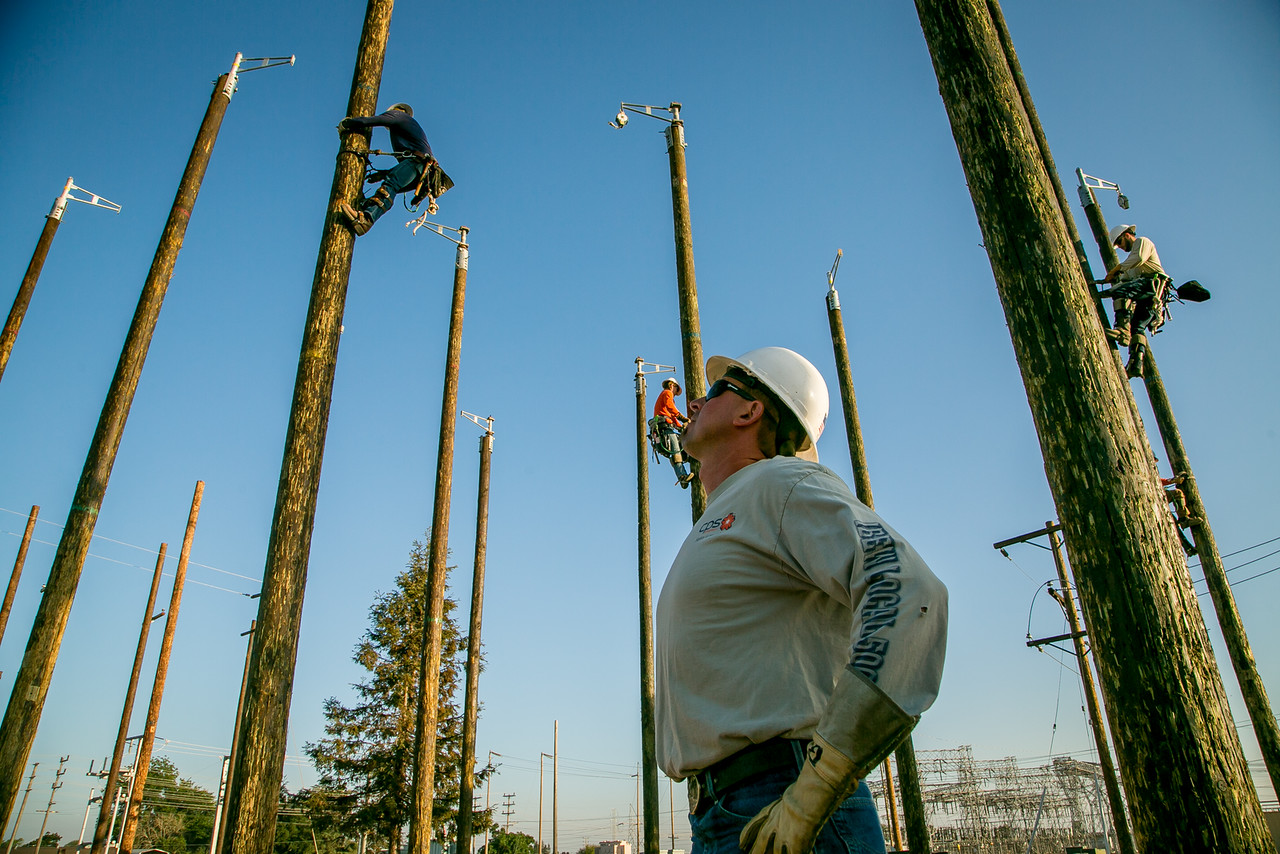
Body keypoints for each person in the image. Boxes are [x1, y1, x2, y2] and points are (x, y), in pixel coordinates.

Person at [655, 346, 948, 854]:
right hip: (726, 814)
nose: (694, 403)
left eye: (717, 389)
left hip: (788, 799)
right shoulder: (731, 510)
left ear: (751, 411)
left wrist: (820, 784)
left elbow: (907, 590)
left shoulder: (782, 483)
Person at [335, 103, 435, 236]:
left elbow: (372, 120)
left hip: (419, 163)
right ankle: (364, 207)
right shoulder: (409, 127)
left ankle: (366, 219)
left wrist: (348, 123)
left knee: (390, 185)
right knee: (389, 188)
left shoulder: (400, 116)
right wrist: (382, 174)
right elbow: (406, 167)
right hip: (422, 170)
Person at [1099, 223, 1170, 378]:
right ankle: (1135, 364)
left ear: (1126, 235)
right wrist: (1103, 288)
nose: (1120, 246)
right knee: (1137, 326)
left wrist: (1117, 269)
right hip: (1149, 295)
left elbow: (1139, 258)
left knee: (1120, 291)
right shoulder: (1131, 265)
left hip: (1152, 285)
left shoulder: (1142, 242)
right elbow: (1124, 280)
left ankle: (1122, 330)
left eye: (1119, 242)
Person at [653, 378, 696, 488]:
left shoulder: (665, 397)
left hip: (664, 428)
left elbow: (672, 417)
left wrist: (681, 427)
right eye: (676, 390)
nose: (675, 394)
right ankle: (682, 476)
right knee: (676, 450)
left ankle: (688, 465)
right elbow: (671, 408)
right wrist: (683, 418)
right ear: (672, 385)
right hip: (664, 428)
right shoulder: (667, 393)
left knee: (680, 448)